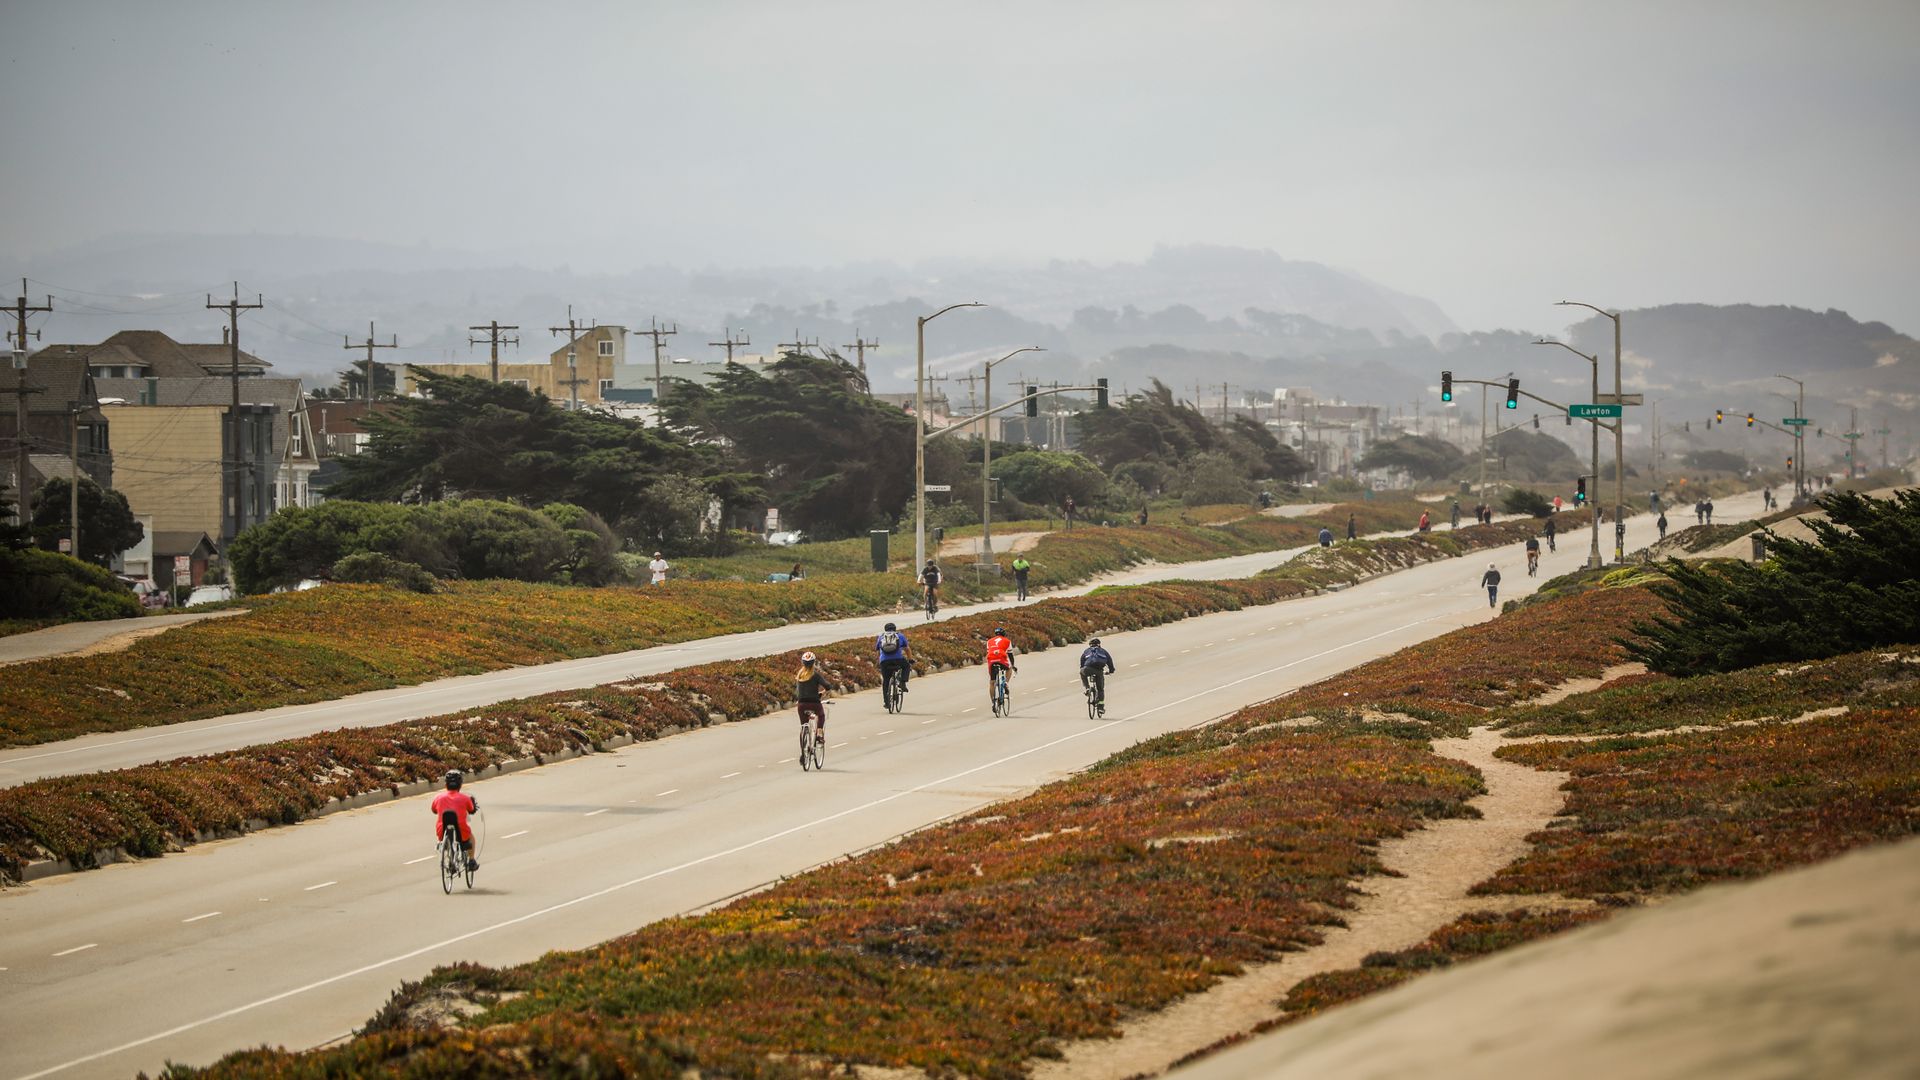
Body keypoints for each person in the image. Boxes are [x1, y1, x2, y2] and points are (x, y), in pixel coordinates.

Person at [431, 770, 479, 872]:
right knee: (471, 837)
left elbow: (434, 810)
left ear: (446, 784)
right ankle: (471, 860)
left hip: (441, 830)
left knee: (446, 840)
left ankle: (449, 858)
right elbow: (471, 809)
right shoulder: (465, 798)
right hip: (462, 830)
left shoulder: (438, 797)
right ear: (460, 785)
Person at [795, 651, 829, 745]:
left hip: (801, 704)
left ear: (802, 663)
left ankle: (803, 750)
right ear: (814, 663)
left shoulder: (799, 675)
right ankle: (819, 735)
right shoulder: (815, 675)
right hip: (815, 703)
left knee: (803, 725)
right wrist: (822, 693)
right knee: (821, 715)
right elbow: (827, 686)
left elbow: (797, 691)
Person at [875, 622, 911, 697]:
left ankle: (886, 701)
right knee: (906, 666)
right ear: (895, 629)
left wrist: (879, 662)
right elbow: (907, 649)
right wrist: (910, 659)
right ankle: (902, 682)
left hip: (884, 661)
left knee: (886, 680)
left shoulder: (881, 637)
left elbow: (878, 651)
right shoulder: (900, 635)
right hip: (898, 659)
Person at [1079, 637, 1116, 709]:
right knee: (1100, 689)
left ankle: (1087, 688)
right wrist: (1111, 671)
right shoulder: (1103, 651)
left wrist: (1083, 668)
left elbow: (1082, 662)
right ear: (1099, 644)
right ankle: (1101, 706)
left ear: (1090, 645)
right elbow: (1110, 662)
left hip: (1087, 669)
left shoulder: (1087, 651)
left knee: (1082, 672)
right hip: (1099, 671)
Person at [985, 626, 1017, 698]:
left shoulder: (989, 641)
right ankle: (1005, 683)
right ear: (1004, 634)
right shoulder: (1007, 641)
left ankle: (993, 703)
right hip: (1001, 657)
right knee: (1009, 668)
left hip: (991, 659)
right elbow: (1010, 655)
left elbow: (988, 652)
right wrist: (1013, 665)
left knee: (992, 682)